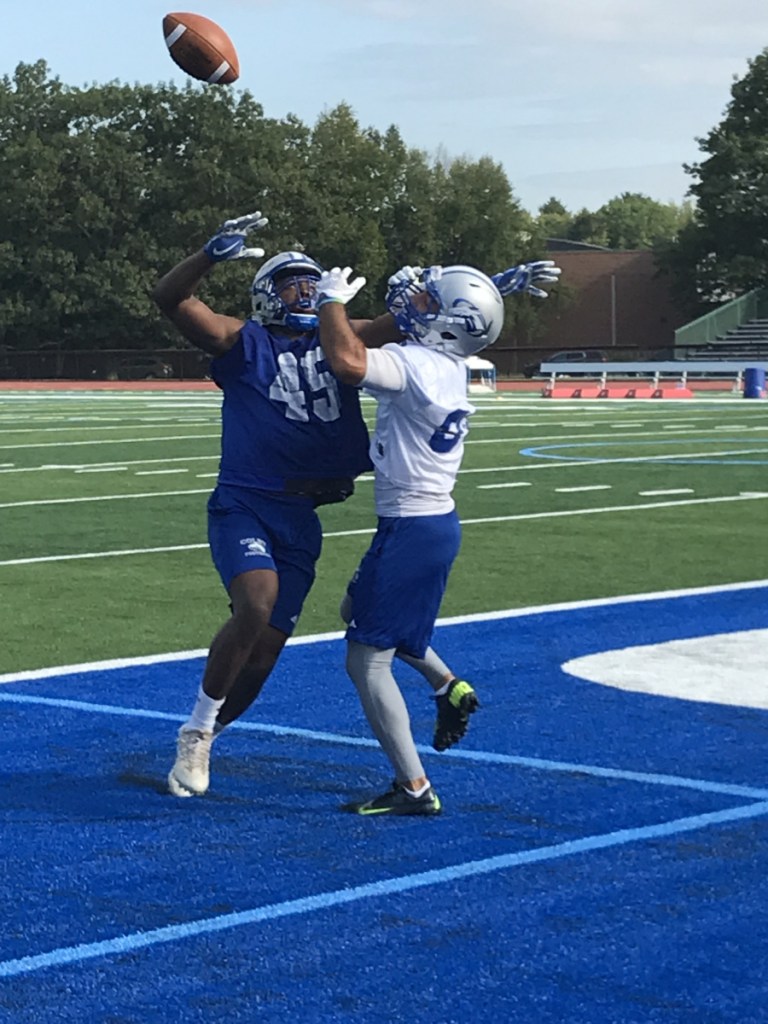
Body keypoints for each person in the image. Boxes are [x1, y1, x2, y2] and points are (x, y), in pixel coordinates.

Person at [152, 211, 402, 798]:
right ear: (267, 293)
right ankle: (196, 733)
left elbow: (410, 321)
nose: (306, 290)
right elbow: (170, 296)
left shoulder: (338, 334)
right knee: (256, 604)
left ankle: (205, 731)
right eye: (291, 281)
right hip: (246, 502)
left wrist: (471, 290)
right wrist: (209, 253)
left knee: (263, 656)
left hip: (302, 516)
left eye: (311, 281)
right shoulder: (243, 340)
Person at [315, 258, 560, 816]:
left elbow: (347, 361)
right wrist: (492, 288)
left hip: (412, 526)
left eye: (427, 300)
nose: (414, 302)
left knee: (365, 659)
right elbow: (458, 318)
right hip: (431, 524)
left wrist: (331, 300)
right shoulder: (449, 361)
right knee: (359, 608)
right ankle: (446, 683)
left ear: (447, 323)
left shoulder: (416, 363)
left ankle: (414, 787)